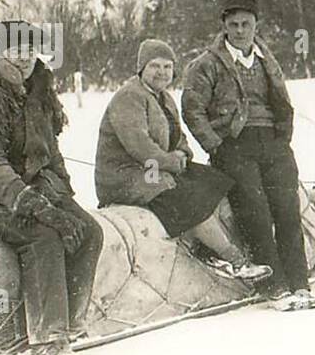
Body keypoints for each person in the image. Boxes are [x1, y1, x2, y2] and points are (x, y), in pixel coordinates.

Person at [0, 20, 103, 355]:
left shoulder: (37, 92)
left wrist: (64, 198)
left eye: (30, 52)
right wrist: (37, 207)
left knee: (88, 231)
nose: (23, 60)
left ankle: (72, 323)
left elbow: (50, 152)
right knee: (44, 236)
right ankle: (47, 341)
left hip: (30, 184)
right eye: (15, 51)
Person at [182, 0, 315, 311]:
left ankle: (300, 283)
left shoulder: (265, 59)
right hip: (234, 145)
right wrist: (216, 145)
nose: (240, 30)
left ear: (256, 24)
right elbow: (192, 109)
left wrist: (283, 137)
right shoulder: (206, 64)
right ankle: (273, 287)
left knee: (287, 207)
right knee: (254, 210)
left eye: (246, 23)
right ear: (224, 26)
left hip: (272, 142)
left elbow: (283, 102)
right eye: (233, 24)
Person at [94, 38, 271, 282]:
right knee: (186, 198)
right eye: (155, 66)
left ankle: (212, 246)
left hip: (156, 166)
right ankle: (234, 260)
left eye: (167, 67)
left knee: (217, 181)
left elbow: (179, 137)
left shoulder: (164, 98)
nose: (162, 73)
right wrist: (172, 162)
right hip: (128, 175)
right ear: (142, 68)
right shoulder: (129, 97)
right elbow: (139, 146)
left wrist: (184, 154)